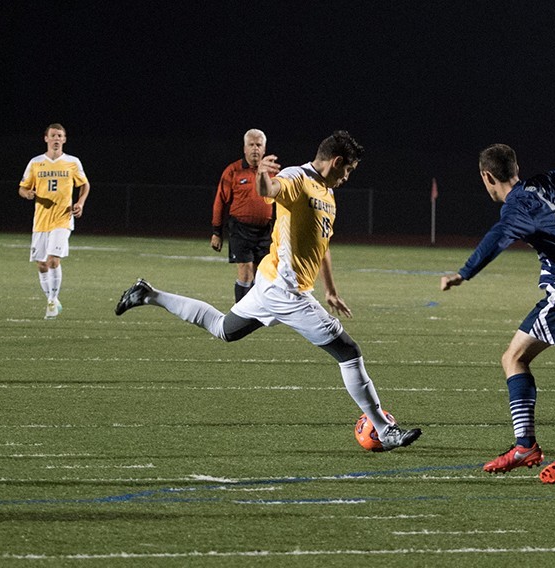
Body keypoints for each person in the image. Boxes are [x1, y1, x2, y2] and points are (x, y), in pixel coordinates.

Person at [115, 131, 421, 451]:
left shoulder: (328, 194)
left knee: (223, 329)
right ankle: (385, 430)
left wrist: (330, 290)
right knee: (348, 352)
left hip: (270, 282)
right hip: (286, 291)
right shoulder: (297, 177)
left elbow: (322, 245)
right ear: (337, 161)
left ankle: (147, 294)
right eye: (348, 170)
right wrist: (262, 175)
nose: (347, 177)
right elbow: (270, 189)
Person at [441, 144, 555, 484]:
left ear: (487, 176)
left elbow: (499, 236)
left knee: (514, 358)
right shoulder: (546, 183)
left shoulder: (517, 205)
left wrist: (464, 273)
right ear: (516, 168)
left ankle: (525, 446)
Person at [18, 123, 90, 319]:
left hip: (62, 219)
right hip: (41, 220)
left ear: (64, 139)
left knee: (52, 260)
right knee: (42, 264)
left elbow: (84, 185)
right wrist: (27, 194)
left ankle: (52, 300)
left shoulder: (72, 162)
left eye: (60, 136)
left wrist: (80, 203)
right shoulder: (35, 163)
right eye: (53, 135)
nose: (56, 139)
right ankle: (52, 301)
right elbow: (22, 187)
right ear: (46, 138)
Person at [211, 129, 275, 302]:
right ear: (244, 148)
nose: (255, 148)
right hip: (240, 229)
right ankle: (239, 312)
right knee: (245, 273)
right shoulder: (233, 171)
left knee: (261, 275)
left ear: (264, 149)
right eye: (251, 145)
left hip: (265, 231)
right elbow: (220, 201)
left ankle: (253, 311)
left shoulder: (272, 172)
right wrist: (216, 231)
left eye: (258, 145)